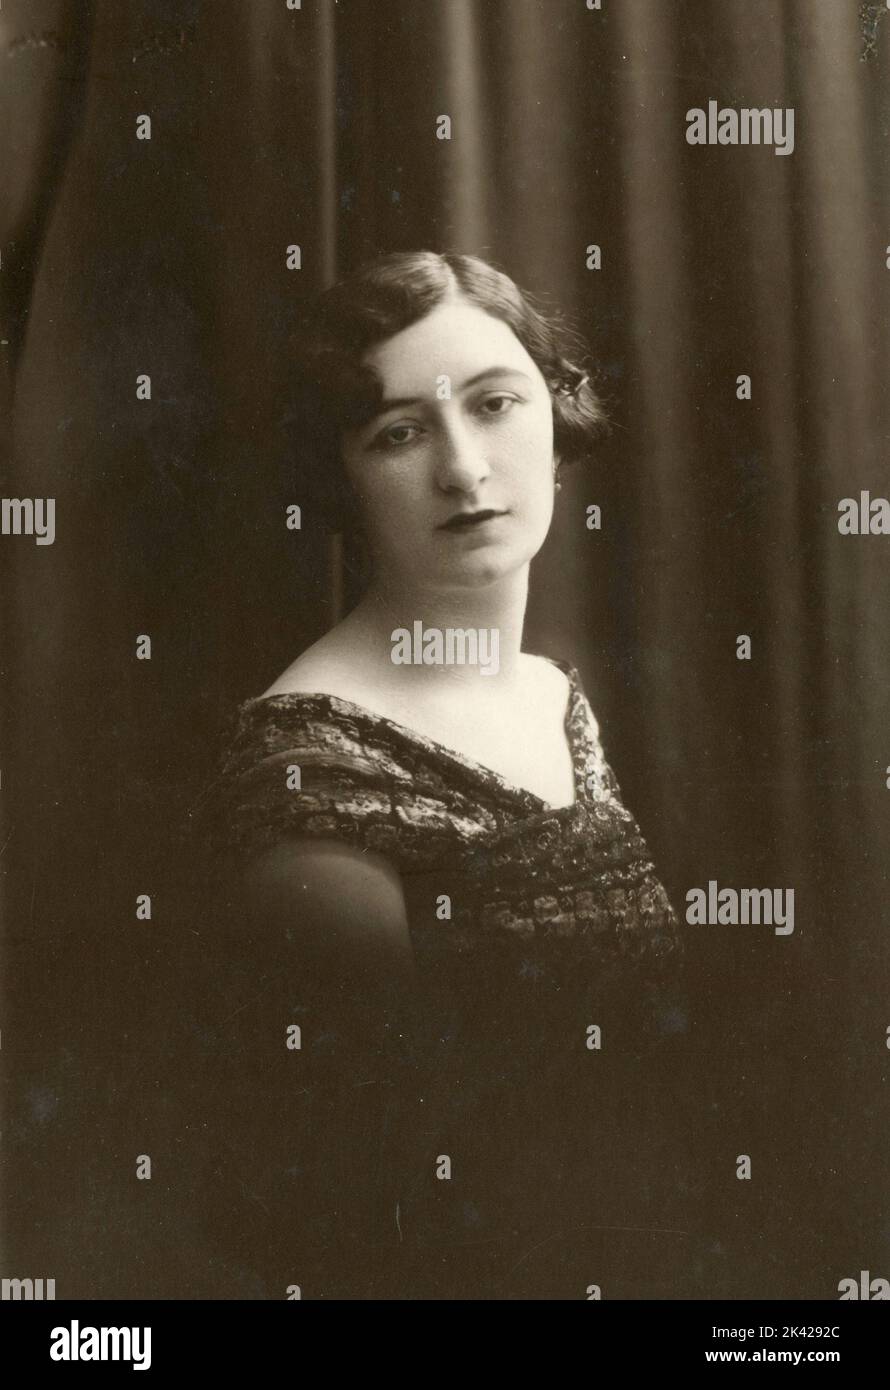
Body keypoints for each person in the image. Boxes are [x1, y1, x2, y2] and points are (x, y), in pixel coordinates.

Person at [185, 250, 693, 1300]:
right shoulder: (307, 772)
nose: (463, 468)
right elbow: (374, 1201)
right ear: (340, 479)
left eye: (496, 403)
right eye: (399, 433)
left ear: (558, 419)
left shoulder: (550, 694)